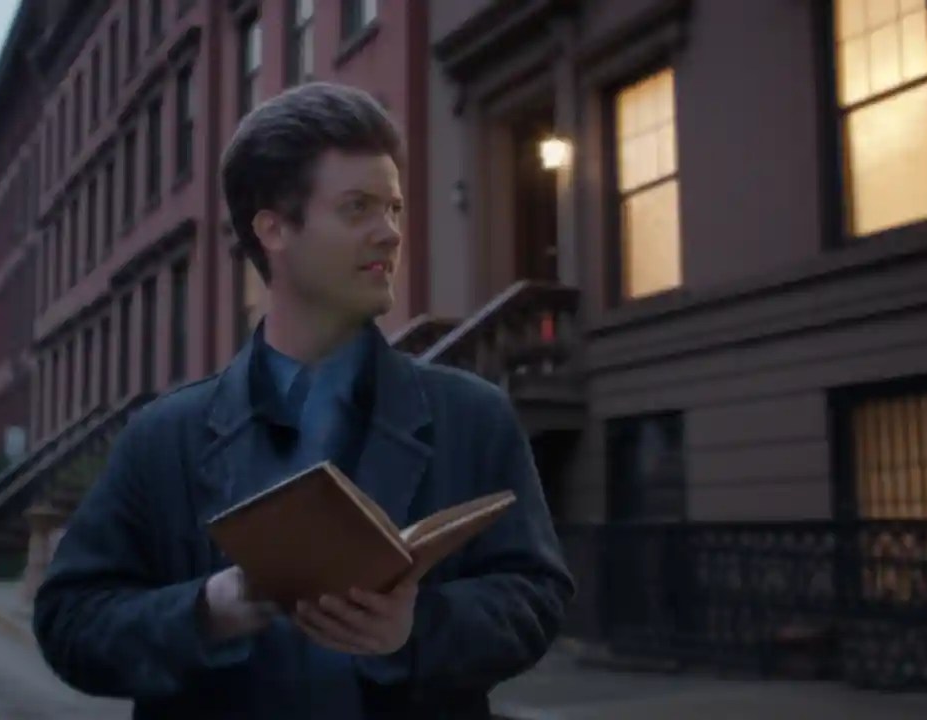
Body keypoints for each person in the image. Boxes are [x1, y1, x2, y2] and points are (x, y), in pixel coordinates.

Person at [32, 81, 575, 719]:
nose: (390, 233)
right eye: (358, 209)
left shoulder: (474, 415)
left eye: (394, 208)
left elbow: (536, 596)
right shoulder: (163, 436)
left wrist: (415, 629)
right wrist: (209, 609)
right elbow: (69, 622)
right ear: (274, 230)